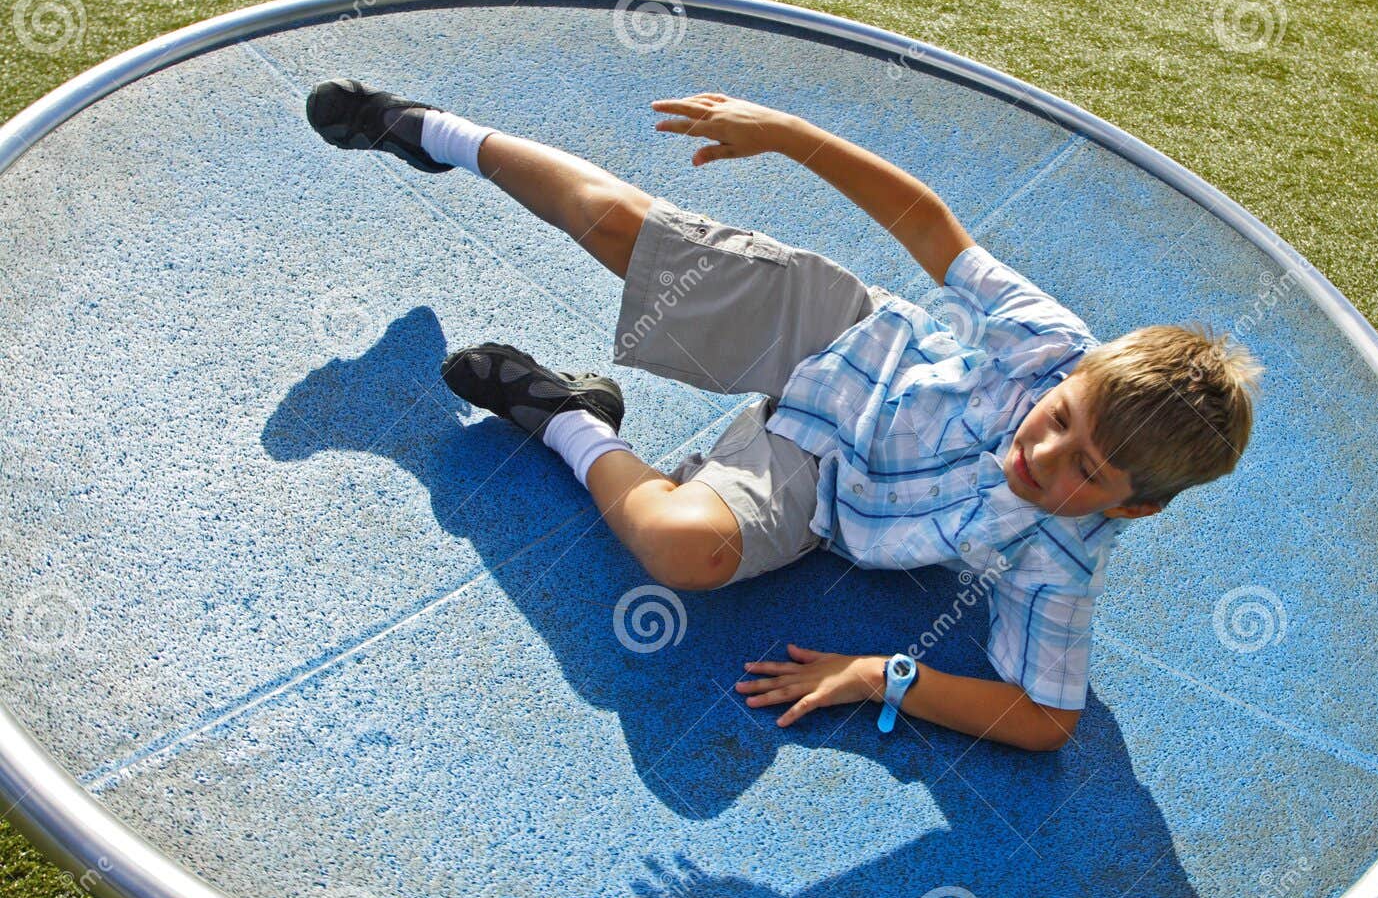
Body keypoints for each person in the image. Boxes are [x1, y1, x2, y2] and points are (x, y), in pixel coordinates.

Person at [304, 79, 1263, 753]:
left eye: (1088, 471)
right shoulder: (1050, 338)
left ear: (1132, 508)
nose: (1045, 456)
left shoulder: (1061, 556)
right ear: (1076, 375)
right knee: (620, 228)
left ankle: (564, 414)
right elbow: (931, 225)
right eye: (1060, 418)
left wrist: (888, 677)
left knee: (685, 552)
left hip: (815, 476)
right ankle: (428, 130)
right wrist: (787, 133)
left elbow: (1049, 719)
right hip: (842, 341)